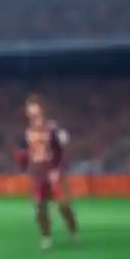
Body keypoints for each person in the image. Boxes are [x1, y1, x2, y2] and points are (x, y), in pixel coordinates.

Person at [14, 94, 79, 249]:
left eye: (37, 112)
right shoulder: (27, 133)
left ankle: (72, 229)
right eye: (31, 113)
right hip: (37, 171)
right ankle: (46, 236)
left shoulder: (52, 128)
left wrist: (57, 169)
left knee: (63, 204)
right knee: (40, 206)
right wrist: (23, 162)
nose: (34, 115)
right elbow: (22, 152)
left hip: (53, 170)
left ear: (42, 111)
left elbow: (62, 149)